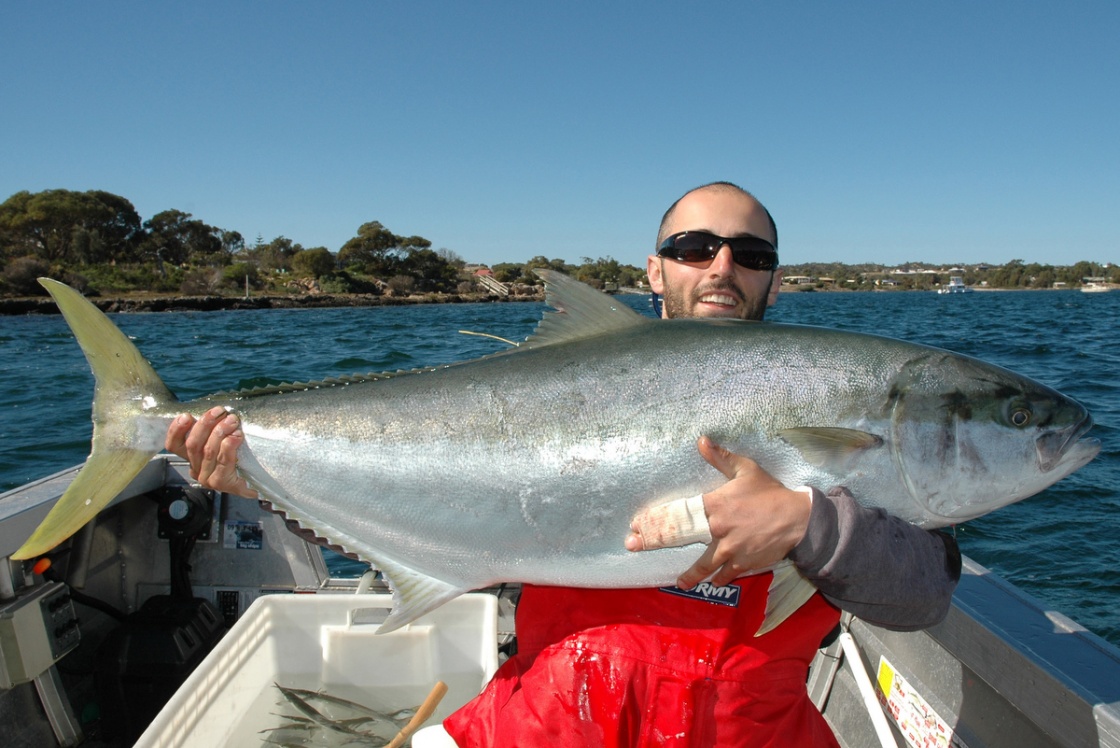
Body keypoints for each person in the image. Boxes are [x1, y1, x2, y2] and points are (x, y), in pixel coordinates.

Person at [166, 182, 961, 747]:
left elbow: (923, 590)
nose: (722, 265)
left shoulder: (843, 404)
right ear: (656, 272)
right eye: (694, 247)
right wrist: (259, 472)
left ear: (775, 282)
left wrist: (808, 522)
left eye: (749, 253)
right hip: (548, 722)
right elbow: (438, 496)